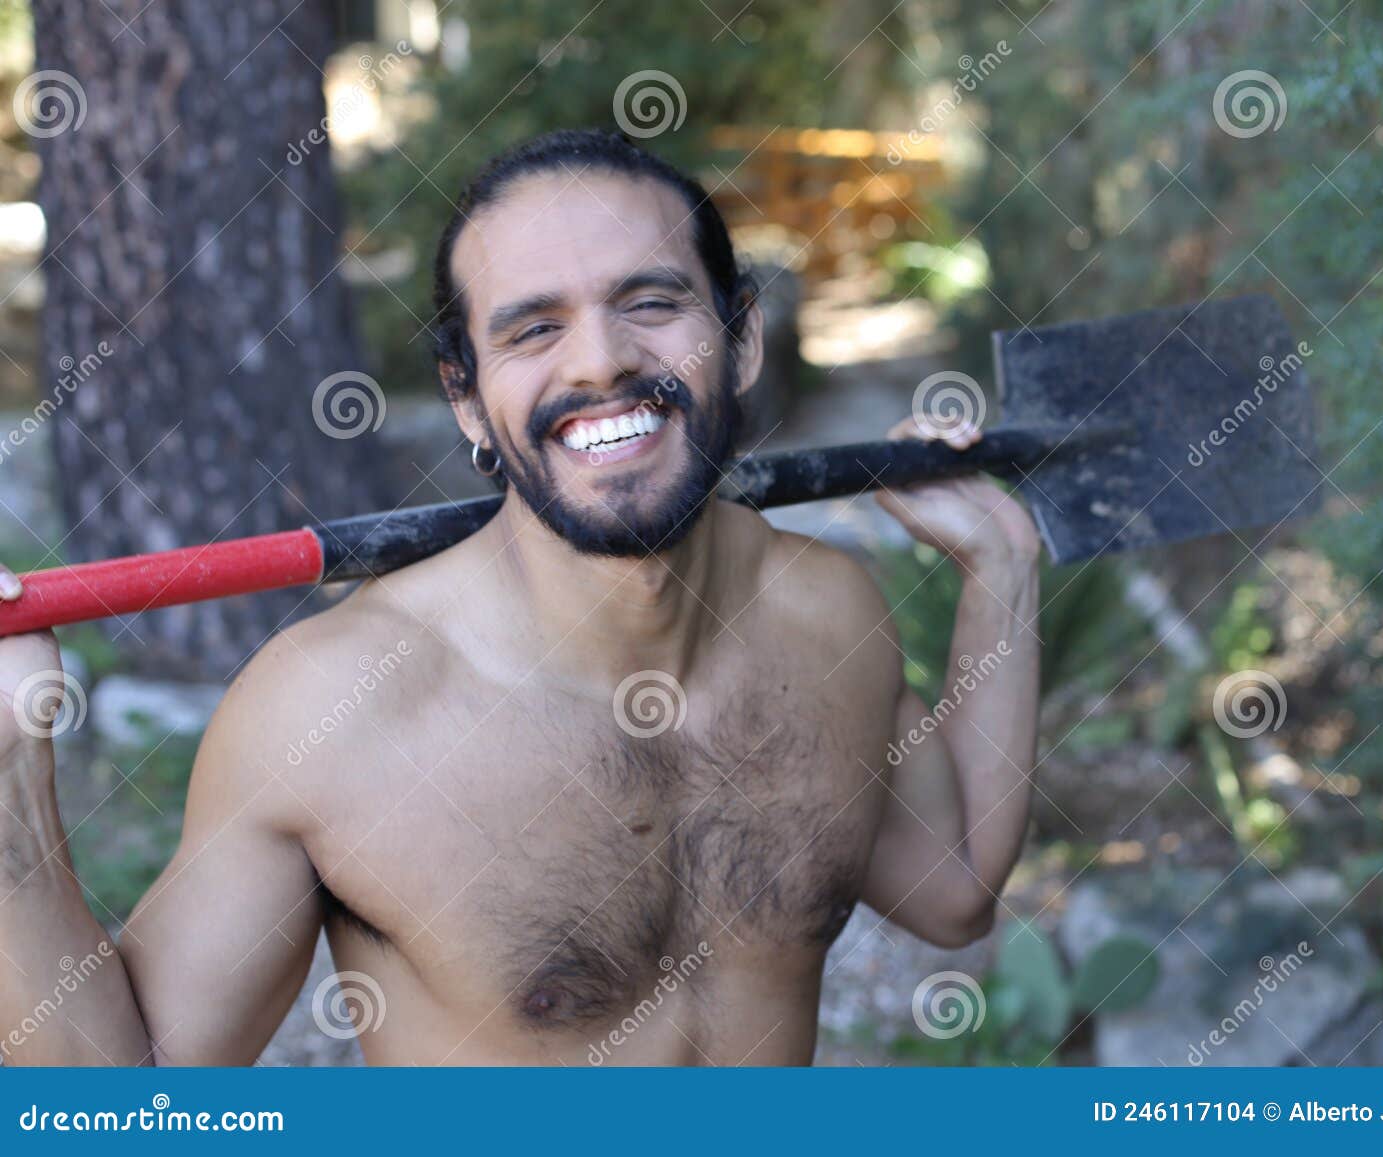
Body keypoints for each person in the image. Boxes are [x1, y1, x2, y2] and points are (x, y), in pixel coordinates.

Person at [0, 129, 1041, 1065]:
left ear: (743, 336)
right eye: (533, 329)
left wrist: (1000, 571)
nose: (601, 361)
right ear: (467, 397)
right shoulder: (332, 711)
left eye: (651, 301)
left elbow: (950, 891)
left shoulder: (828, 615)